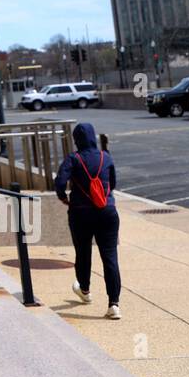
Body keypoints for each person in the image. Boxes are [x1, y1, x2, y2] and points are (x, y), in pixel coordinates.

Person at [55, 122, 121, 319]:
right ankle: (114, 304)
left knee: (83, 253)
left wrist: (64, 197)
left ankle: (84, 290)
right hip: (107, 212)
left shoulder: (73, 159)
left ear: (76, 140)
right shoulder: (105, 157)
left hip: (80, 213)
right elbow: (113, 183)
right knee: (110, 257)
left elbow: (59, 182)